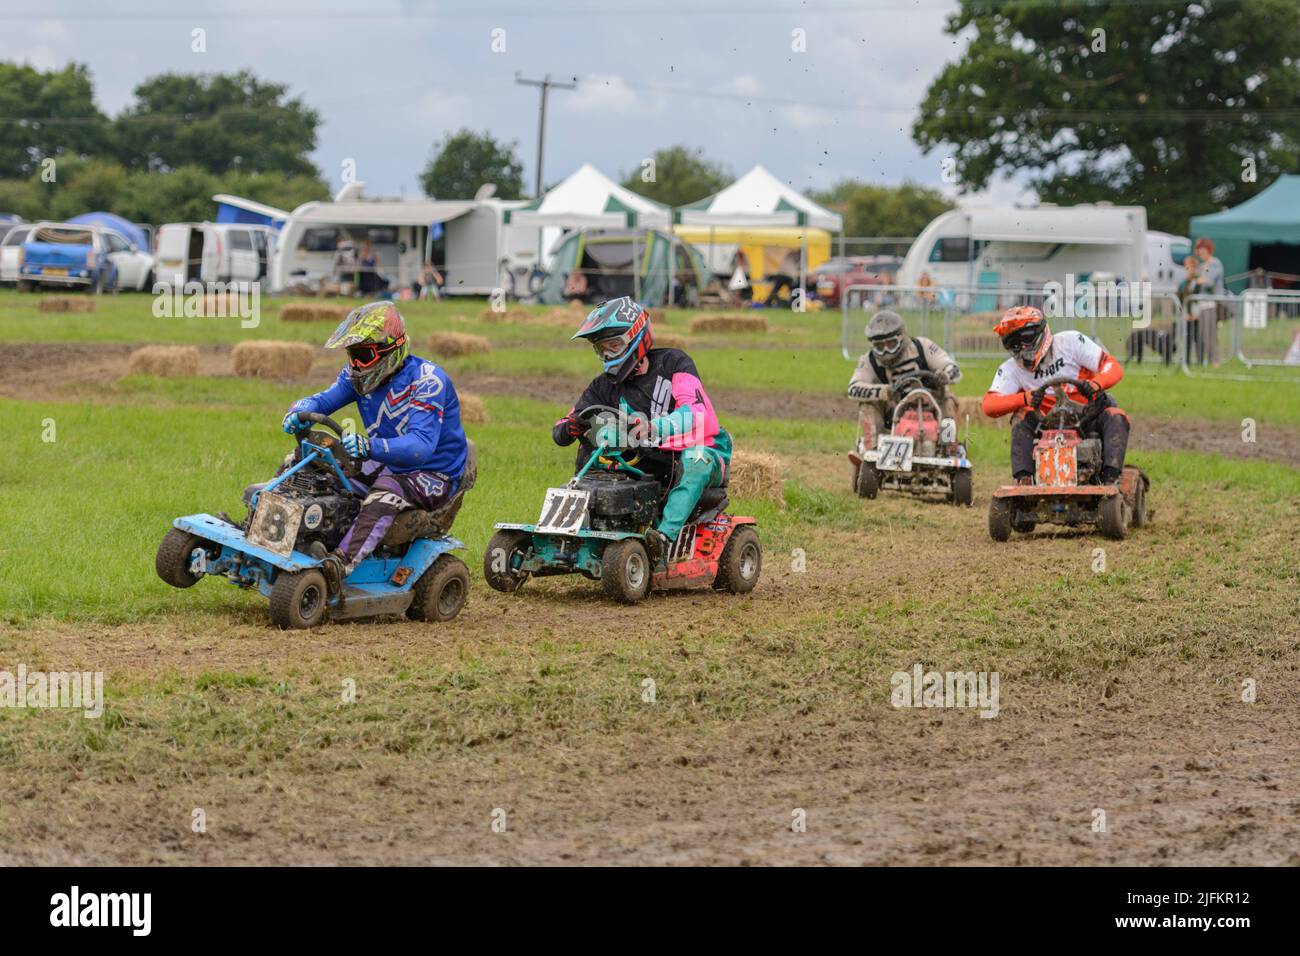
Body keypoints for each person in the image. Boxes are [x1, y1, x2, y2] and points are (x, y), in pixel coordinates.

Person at [282, 302, 469, 595]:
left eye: (363, 355)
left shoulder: (427, 382)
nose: (356, 365)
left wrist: (370, 446)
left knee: (386, 490)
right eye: (352, 355)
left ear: (390, 349)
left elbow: (420, 446)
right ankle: (269, 526)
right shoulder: (357, 379)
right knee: (312, 460)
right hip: (386, 461)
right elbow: (323, 400)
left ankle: (338, 564)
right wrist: (298, 409)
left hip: (433, 473)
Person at [552, 296, 732, 562]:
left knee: (695, 459)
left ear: (635, 337)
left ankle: (664, 537)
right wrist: (574, 426)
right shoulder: (603, 386)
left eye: (614, 346)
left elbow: (697, 413)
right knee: (593, 445)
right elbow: (562, 429)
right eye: (602, 349)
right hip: (646, 461)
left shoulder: (674, 363)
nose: (608, 356)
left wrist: (653, 427)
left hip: (699, 453)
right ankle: (572, 529)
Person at [981, 306, 1129, 486]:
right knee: (1020, 417)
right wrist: (1025, 398)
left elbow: (1112, 366)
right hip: (1045, 424)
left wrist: (1095, 385)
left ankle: (1109, 480)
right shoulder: (1011, 369)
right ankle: (1025, 480)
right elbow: (989, 405)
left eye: (1024, 339)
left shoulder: (1071, 342)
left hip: (1087, 416)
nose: (1019, 348)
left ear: (1039, 333)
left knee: (1116, 416)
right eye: (1012, 342)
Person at [847, 310, 962, 450]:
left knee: (949, 400)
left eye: (891, 344)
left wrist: (945, 376)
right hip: (893, 410)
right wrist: (884, 391)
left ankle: (949, 448)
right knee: (868, 403)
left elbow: (952, 367)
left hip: (931, 406)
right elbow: (853, 388)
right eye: (879, 346)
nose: (886, 352)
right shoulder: (869, 360)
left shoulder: (922, 346)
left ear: (902, 336)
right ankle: (873, 450)